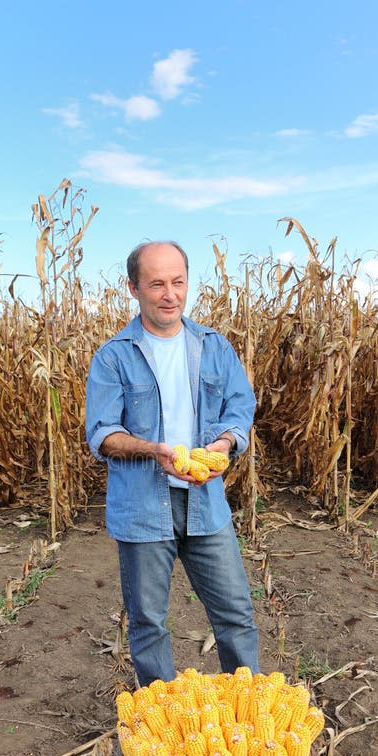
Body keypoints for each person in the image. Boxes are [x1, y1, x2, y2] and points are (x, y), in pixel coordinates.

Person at [85, 240, 259, 687]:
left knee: (235, 616)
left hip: (207, 506)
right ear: (133, 288)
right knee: (148, 625)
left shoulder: (215, 348)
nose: (169, 294)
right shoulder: (113, 357)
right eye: (156, 283)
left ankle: (246, 716)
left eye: (178, 282)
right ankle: (163, 729)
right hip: (143, 509)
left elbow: (239, 410)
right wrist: (156, 451)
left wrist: (223, 443)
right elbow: (103, 435)